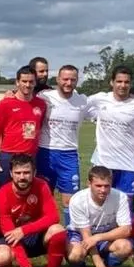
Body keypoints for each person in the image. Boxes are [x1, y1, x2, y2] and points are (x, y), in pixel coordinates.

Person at [0, 154, 67, 267]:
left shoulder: (42, 186)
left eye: (26, 172)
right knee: (0, 258)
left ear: (34, 173)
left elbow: (53, 217)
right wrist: (26, 266)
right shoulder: (2, 194)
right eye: (18, 173)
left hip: (32, 235)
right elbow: (9, 234)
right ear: (11, 173)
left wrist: (23, 230)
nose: (22, 177)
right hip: (8, 237)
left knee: (58, 230)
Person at [87, 65, 134, 214]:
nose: (123, 85)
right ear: (111, 82)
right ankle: (101, 236)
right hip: (104, 163)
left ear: (130, 84)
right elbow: (77, 104)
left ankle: (127, 237)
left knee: (126, 207)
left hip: (128, 164)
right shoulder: (100, 99)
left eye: (126, 82)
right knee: (100, 204)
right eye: (119, 81)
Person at [37, 65, 89, 225]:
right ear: (58, 79)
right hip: (45, 153)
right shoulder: (44, 97)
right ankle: (43, 233)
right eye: (65, 79)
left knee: (70, 200)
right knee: (43, 197)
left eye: (73, 79)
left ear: (77, 81)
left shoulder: (83, 101)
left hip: (69, 155)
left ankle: (71, 235)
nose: (68, 83)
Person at [66, 166, 133, 267]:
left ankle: (107, 266)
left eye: (107, 186)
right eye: (98, 186)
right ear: (89, 183)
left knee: (125, 247)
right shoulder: (78, 200)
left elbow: (126, 230)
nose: (103, 190)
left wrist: (98, 237)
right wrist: (99, 265)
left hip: (105, 234)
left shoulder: (120, 197)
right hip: (80, 234)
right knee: (75, 255)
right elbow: (87, 236)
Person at [0, 66, 47, 188]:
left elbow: (38, 128)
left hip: (30, 157)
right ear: (17, 82)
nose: (27, 85)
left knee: (27, 195)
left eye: (31, 81)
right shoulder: (5, 104)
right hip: (8, 156)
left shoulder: (41, 104)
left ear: (35, 82)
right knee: (3, 195)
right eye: (24, 81)